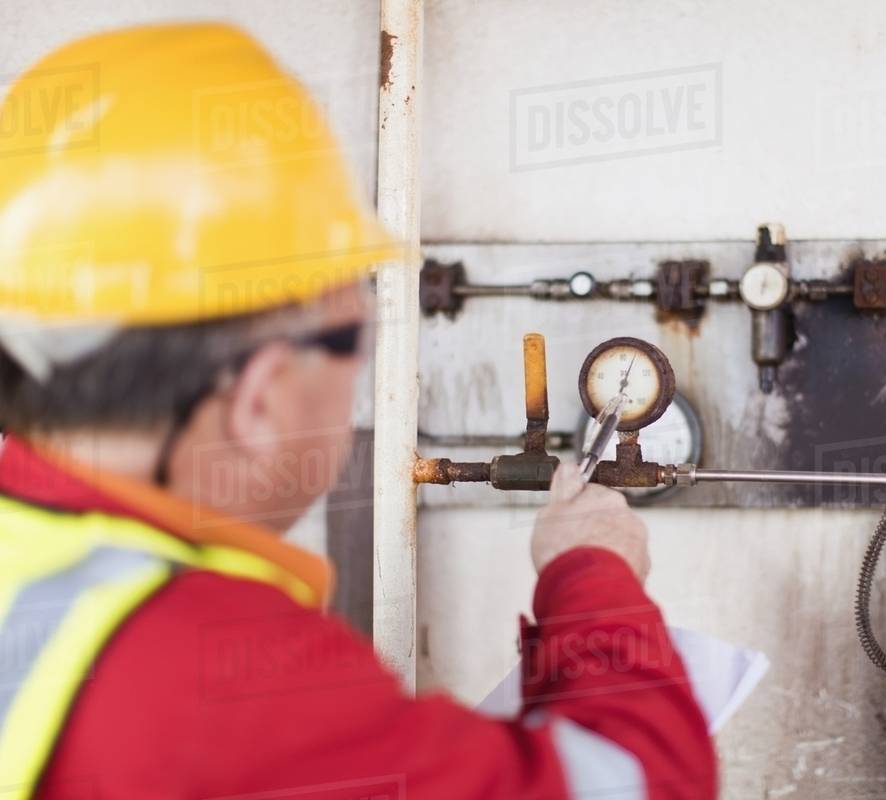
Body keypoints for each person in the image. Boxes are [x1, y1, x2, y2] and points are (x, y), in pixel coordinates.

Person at [0, 22, 715, 800]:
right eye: (356, 339)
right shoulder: (226, 686)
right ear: (260, 396)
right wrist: (594, 576)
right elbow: (640, 785)